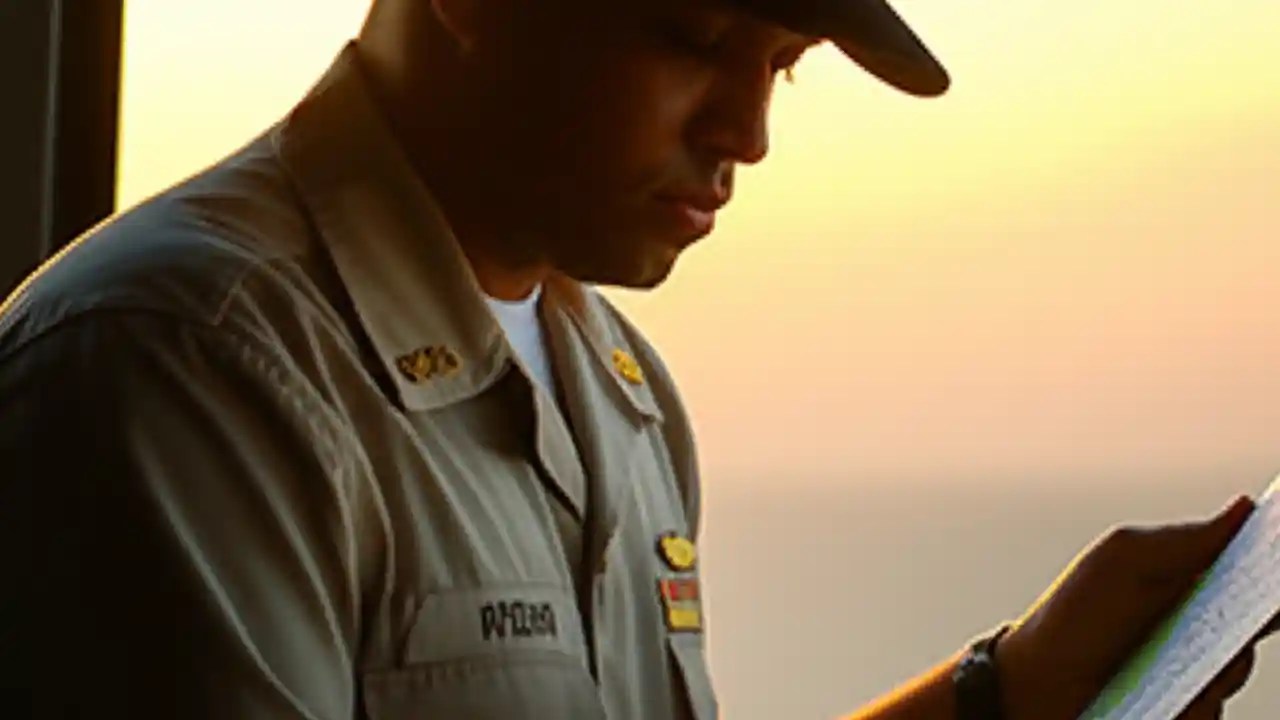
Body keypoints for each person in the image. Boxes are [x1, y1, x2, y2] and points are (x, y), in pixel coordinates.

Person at [0, 0, 1274, 717]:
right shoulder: (181, 367)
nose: (747, 133)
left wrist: (1001, 697)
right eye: (694, 36)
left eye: (781, 68)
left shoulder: (617, 388)